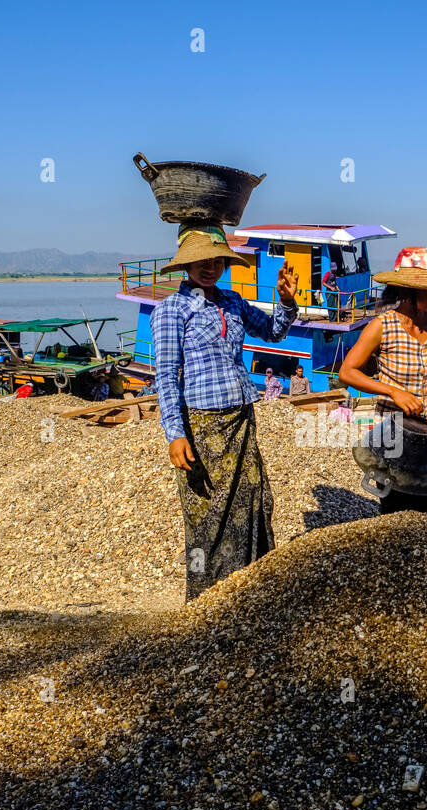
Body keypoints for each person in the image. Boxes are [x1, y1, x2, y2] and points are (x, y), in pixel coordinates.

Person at [151, 224, 299, 601]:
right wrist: (175, 434)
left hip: (241, 419)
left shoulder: (232, 302)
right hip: (202, 427)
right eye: (202, 260)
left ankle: (249, 590)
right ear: (186, 265)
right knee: (207, 516)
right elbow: (166, 377)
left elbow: (273, 332)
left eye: (217, 260)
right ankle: (205, 599)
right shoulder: (171, 310)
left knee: (254, 501)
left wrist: (285, 302)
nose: (210, 267)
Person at [337, 247, 427, 519]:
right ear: (410, 291)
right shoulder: (383, 326)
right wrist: (394, 392)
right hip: (394, 432)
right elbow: (347, 372)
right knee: (397, 509)